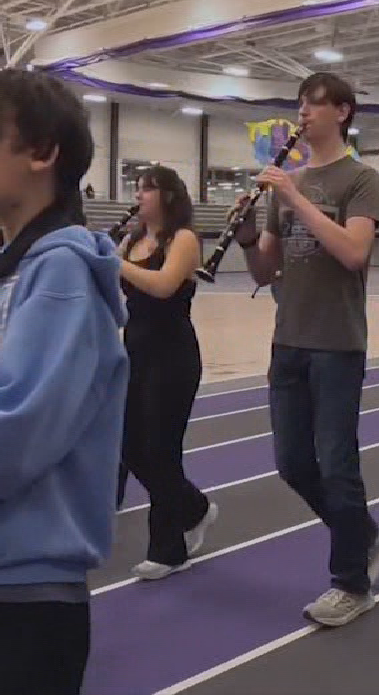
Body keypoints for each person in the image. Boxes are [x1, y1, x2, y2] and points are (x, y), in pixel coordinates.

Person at [234, 72, 379, 627]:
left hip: (336, 343)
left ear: (342, 112)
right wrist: (251, 235)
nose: (301, 113)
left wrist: (295, 197)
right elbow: (266, 270)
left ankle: (351, 583)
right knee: (293, 464)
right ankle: (366, 535)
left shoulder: (361, 178)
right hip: (289, 339)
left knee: (338, 465)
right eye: (300, 104)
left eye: (313, 105)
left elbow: (353, 251)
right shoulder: (288, 181)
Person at [0, 69, 128, 695]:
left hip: (24, 599)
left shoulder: (60, 275)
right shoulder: (20, 271)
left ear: (43, 153)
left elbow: (16, 434)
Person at [115, 165, 217, 579]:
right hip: (133, 352)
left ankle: (167, 548)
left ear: (168, 196)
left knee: (161, 448)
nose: (138, 196)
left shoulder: (185, 239)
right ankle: (194, 508)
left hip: (172, 356)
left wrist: (112, 263)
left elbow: (162, 286)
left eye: (146, 189)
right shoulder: (132, 239)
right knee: (130, 448)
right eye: (138, 189)